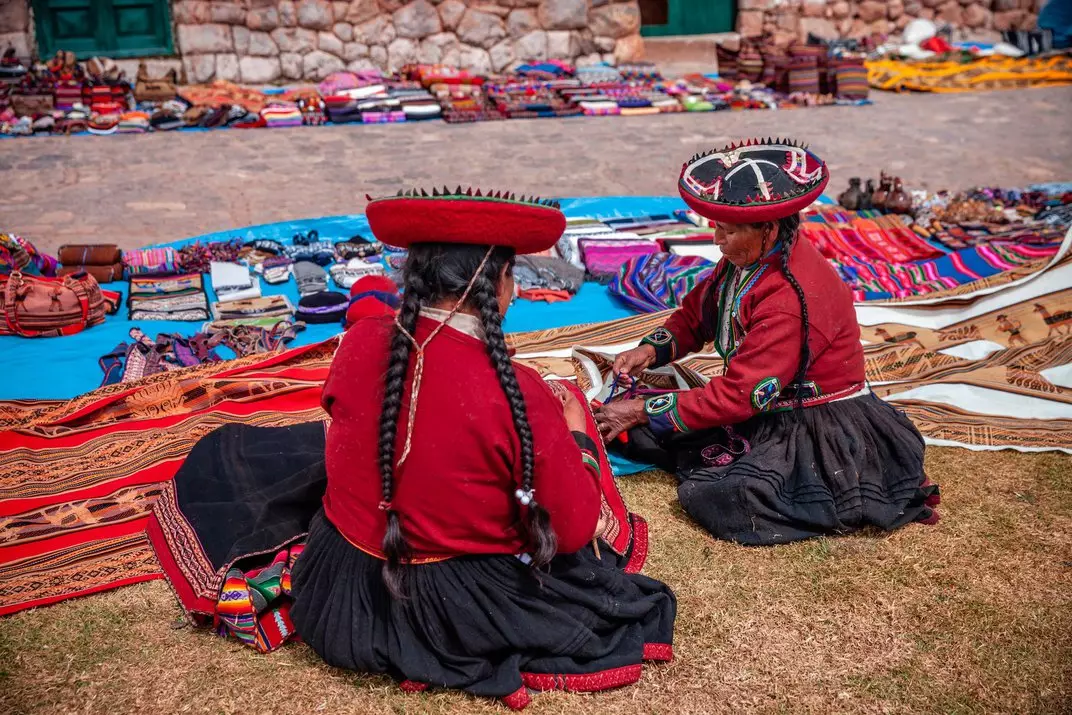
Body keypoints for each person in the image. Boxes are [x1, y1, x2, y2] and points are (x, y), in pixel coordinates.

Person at [291, 189, 676, 708]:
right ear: (487, 282)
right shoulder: (520, 393)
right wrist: (576, 435)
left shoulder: (361, 341)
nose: (514, 294)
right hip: (449, 605)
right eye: (511, 276)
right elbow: (574, 530)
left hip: (337, 589)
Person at [594, 139, 940, 545]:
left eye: (728, 229)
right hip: (763, 403)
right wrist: (651, 350)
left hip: (815, 424)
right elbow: (698, 314)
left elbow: (741, 395)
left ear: (768, 228)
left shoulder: (791, 298)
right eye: (716, 226)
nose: (716, 240)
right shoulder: (747, 260)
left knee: (718, 495)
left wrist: (639, 409)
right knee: (649, 434)